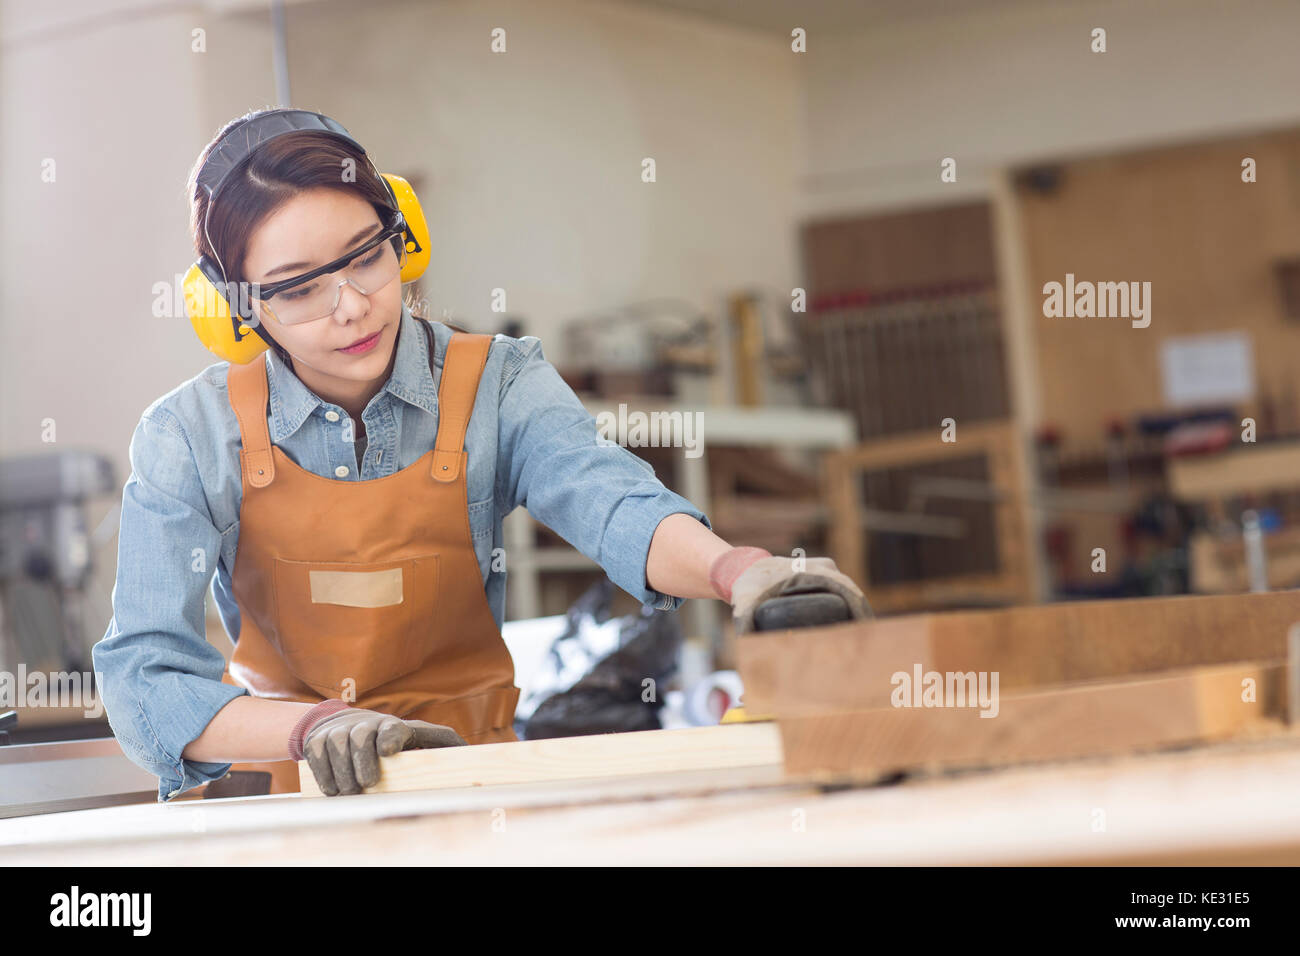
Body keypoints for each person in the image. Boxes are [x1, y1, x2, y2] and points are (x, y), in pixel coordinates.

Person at [92, 107, 869, 800]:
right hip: (292, 802)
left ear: (406, 239)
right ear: (235, 311)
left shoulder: (496, 383)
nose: (352, 305)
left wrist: (740, 571)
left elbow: (611, 501)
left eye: (367, 256)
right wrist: (318, 730)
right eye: (297, 289)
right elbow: (143, 679)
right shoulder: (190, 435)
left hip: (475, 785)